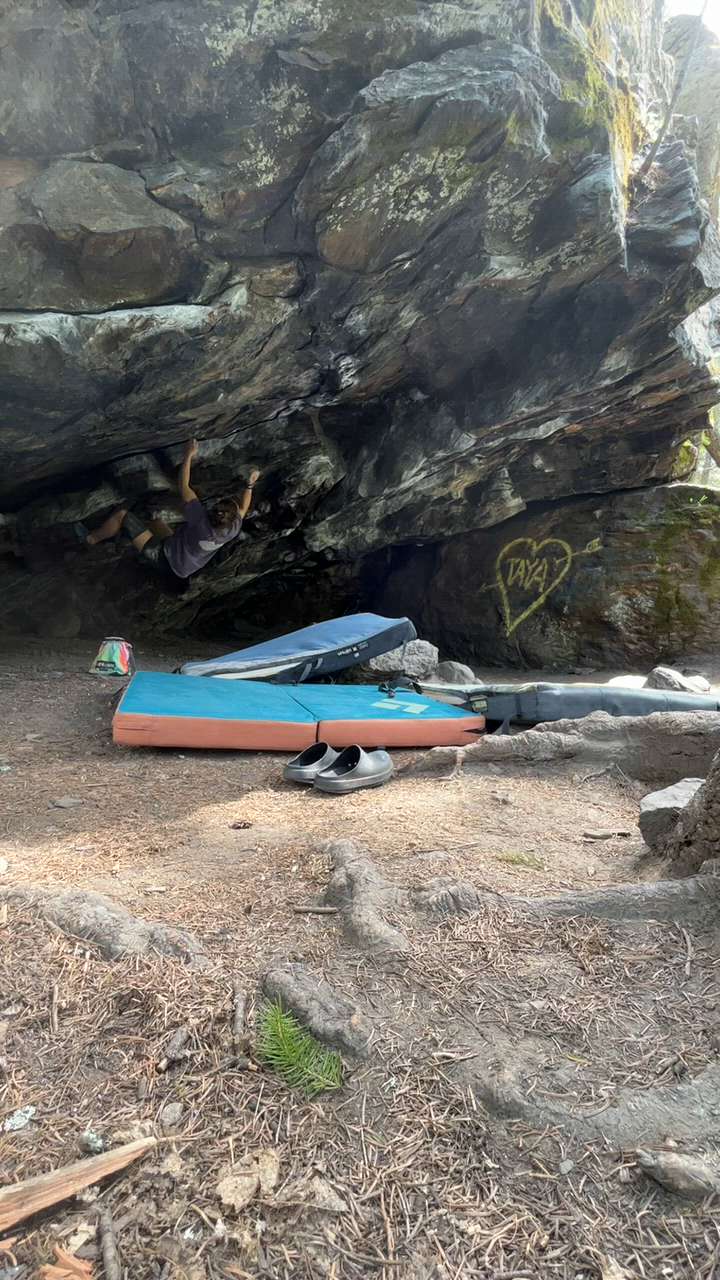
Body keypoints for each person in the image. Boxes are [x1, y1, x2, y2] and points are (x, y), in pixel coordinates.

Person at [78, 439, 260, 588]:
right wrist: (250, 484)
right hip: (185, 566)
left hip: (164, 559)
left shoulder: (200, 520)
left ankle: (90, 540)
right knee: (156, 522)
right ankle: (121, 534)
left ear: (215, 511)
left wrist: (188, 454)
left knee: (123, 515)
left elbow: (184, 485)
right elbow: (244, 507)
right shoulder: (232, 528)